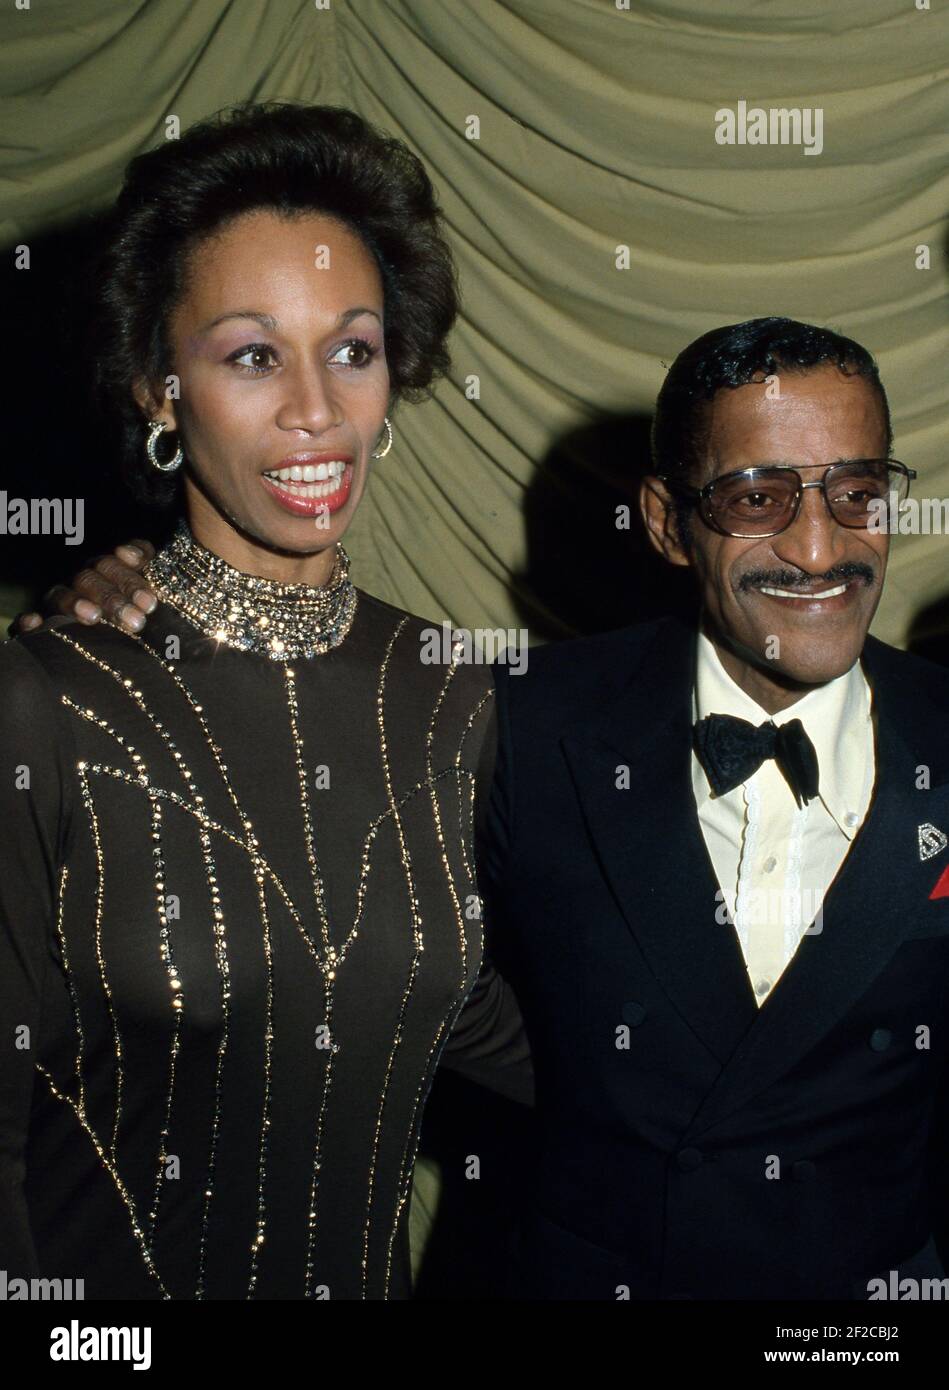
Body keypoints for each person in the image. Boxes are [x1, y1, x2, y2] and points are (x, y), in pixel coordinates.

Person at [0, 101, 531, 1302]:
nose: (316, 410)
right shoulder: (46, 699)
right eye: (251, 354)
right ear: (154, 386)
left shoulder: (453, 695)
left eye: (352, 349)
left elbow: (505, 1028)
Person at [475, 317, 949, 1300]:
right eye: (757, 498)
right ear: (663, 520)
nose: (820, 548)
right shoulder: (525, 723)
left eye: (856, 492)